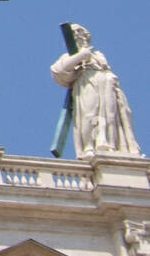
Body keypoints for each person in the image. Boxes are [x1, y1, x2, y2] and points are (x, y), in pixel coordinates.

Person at [51, 25, 140, 157]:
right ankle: (89, 147)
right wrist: (80, 56)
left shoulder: (98, 55)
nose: (79, 37)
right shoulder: (69, 56)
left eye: (81, 34)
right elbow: (57, 70)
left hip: (106, 84)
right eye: (75, 35)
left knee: (109, 116)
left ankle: (108, 145)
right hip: (86, 83)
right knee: (89, 114)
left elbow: (106, 69)